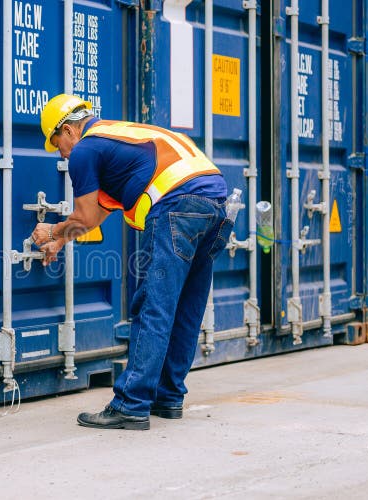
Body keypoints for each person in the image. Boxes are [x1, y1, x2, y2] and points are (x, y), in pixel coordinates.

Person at [31, 94, 233, 430]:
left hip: (177, 206)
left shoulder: (85, 149)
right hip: (214, 204)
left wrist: (51, 229)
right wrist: (61, 240)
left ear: (68, 130)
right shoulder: (119, 137)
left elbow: (82, 214)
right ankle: (168, 397)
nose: (61, 154)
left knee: (153, 305)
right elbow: (93, 217)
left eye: (57, 144)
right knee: (185, 308)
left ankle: (131, 403)